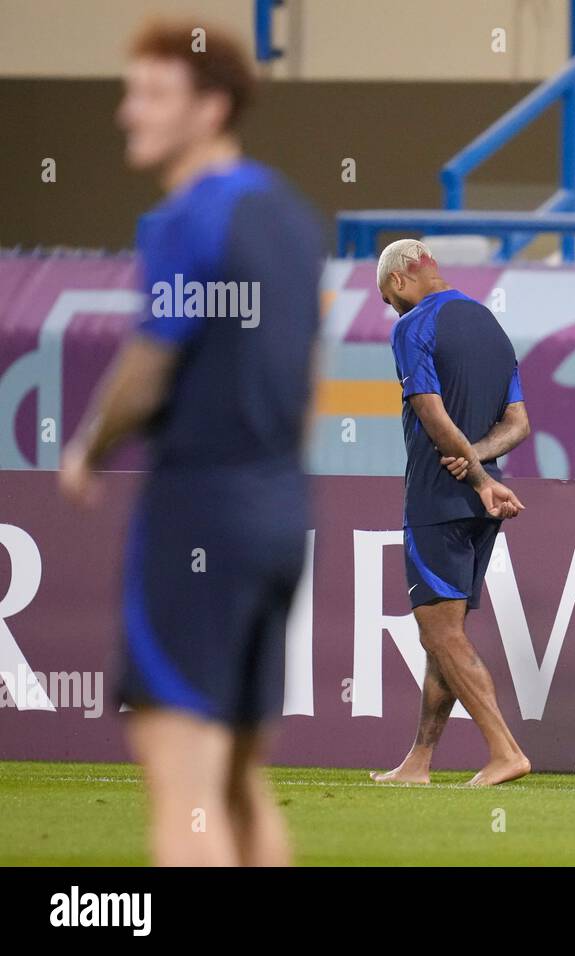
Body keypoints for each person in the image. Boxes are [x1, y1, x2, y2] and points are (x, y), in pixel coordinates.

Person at [59, 21, 322, 865]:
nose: (127, 113)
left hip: (201, 511)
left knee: (183, 786)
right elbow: (309, 369)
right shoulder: (289, 212)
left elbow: (149, 363)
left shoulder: (184, 216)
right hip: (281, 511)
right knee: (242, 787)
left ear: (210, 108)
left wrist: (89, 446)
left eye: (152, 94)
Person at [370, 239, 532, 788]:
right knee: (445, 634)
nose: (393, 309)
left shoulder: (411, 325)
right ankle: (419, 761)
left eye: (388, 299)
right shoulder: (489, 322)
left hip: (440, 499)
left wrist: (475, 475)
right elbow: (518, 422)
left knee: (440, 634)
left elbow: (431, 413)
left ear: (397, 281)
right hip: (482, 503)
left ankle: (505, 751)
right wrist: (483, 464)